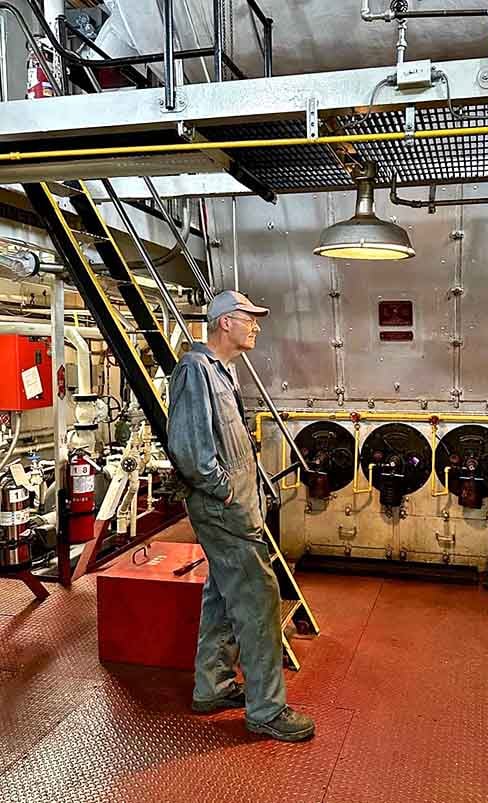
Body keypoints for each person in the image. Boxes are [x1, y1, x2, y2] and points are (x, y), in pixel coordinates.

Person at [167, 289, 315, 742]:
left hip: (235, 506)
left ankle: (212, 686)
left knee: (222, 594)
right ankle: (267, 709)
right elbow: (190, 451)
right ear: (225, 322)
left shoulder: (222, 370)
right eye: (249, 318)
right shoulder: (195, 370)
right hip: (224, 509)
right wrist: (226, 491)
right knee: (258, 600)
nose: (256, 326)